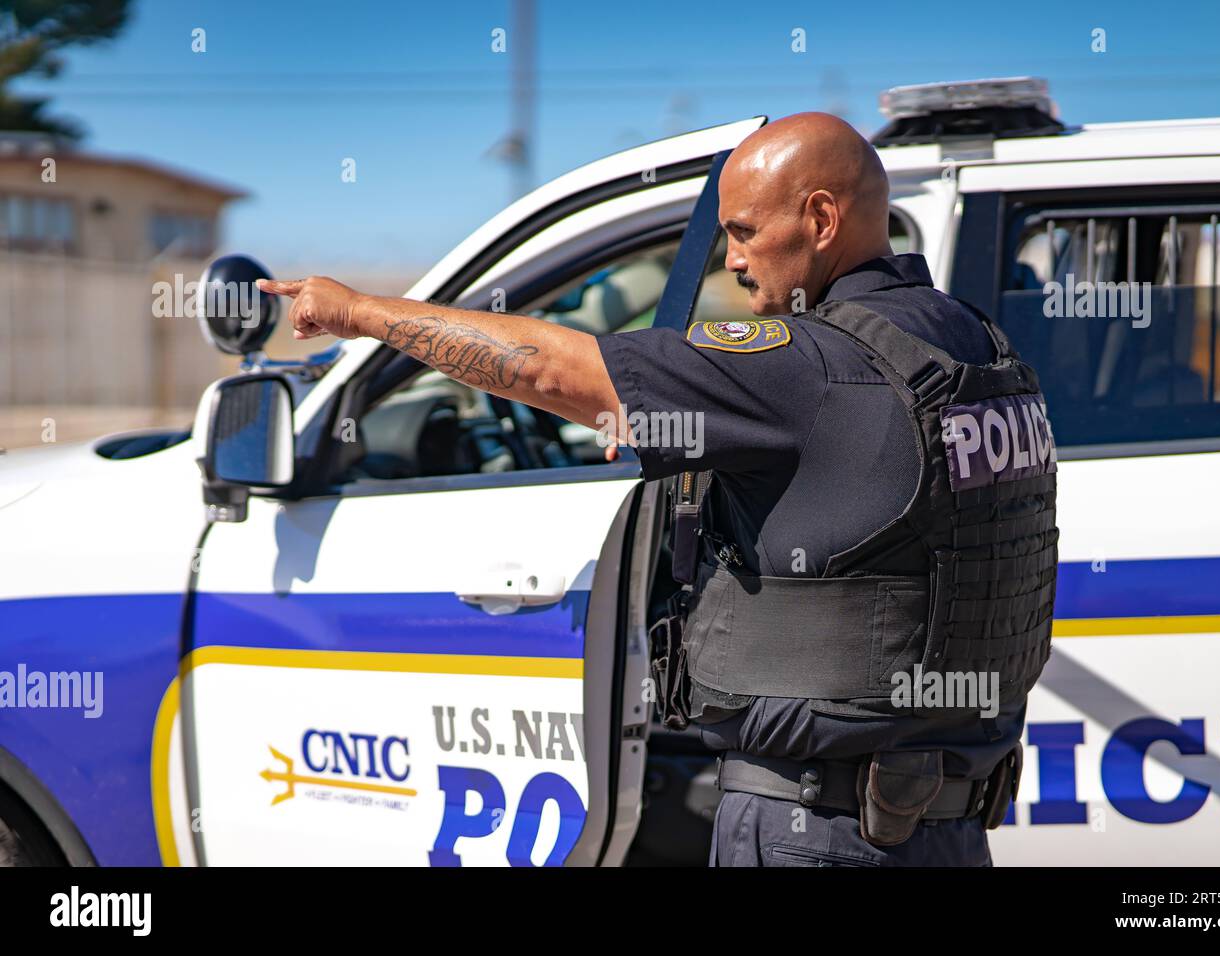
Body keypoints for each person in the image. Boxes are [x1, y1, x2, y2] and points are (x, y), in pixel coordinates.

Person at [259, 112, 1058, 867]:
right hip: (947, 828)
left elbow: (546, 368)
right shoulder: (974, 344)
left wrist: (361, 311)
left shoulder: (800, 366)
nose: (733, 259)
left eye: (744, 232)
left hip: (816, 828)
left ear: (819, 220)